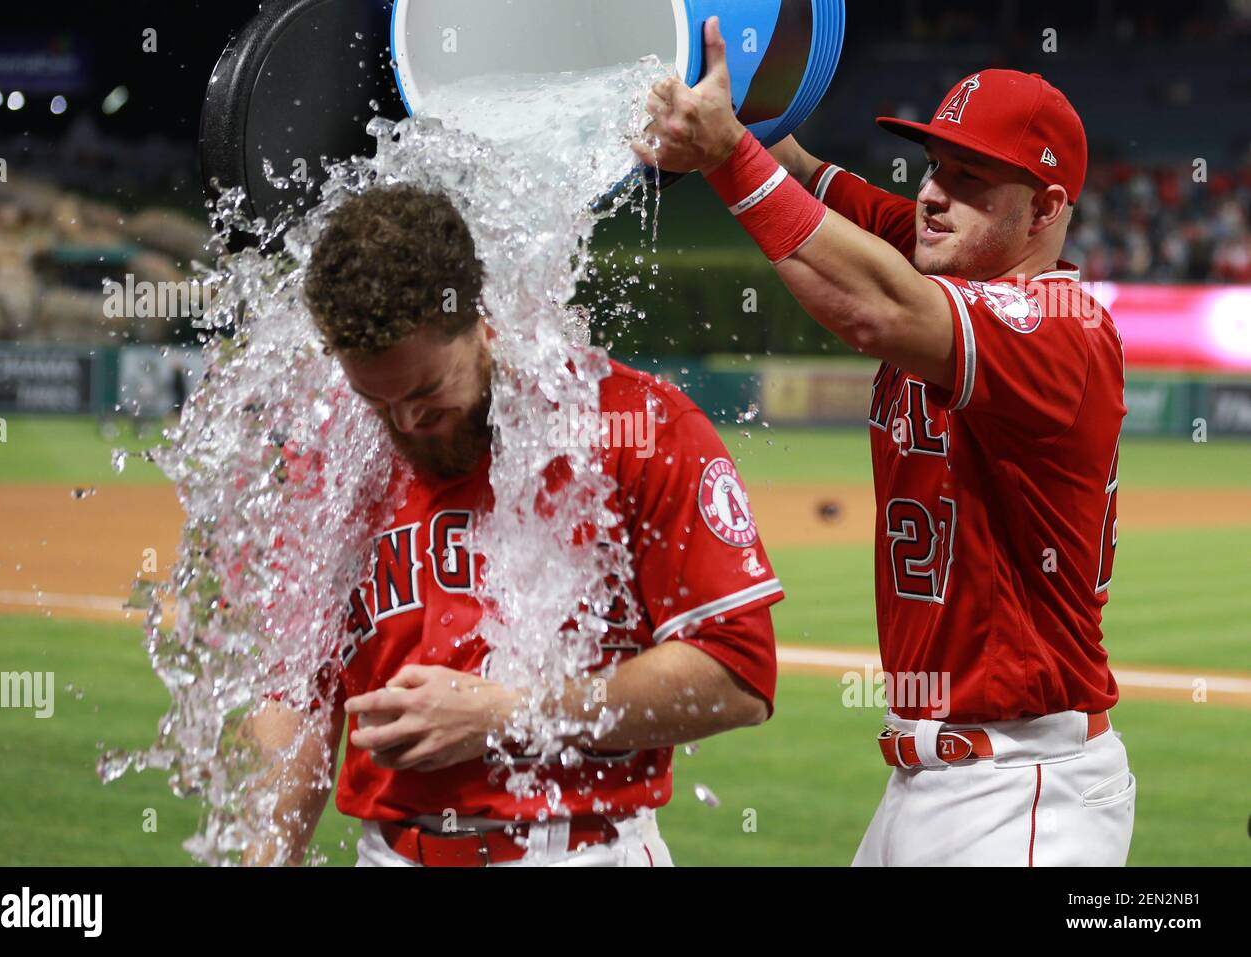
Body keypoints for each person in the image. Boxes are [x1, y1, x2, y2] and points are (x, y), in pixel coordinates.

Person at [638, 18, 1133, 866]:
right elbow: (816, 186)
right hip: (927, 776)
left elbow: (872, 305)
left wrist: (727, 158)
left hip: (1022, 793)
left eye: (970, 179)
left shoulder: (1060, 328)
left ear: (1047, 208)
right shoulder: (952, 256)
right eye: (936, 169)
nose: (932, 195)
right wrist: (728, 107)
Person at [244, 183, 782, 867]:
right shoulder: (335, 456)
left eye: (425, 394)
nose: (404, 423)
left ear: (483, 322)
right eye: (376, 400)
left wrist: (511, 711)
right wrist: (268, 853)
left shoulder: (633, 426)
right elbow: (298, 688)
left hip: (577, 852)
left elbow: (737, 675)